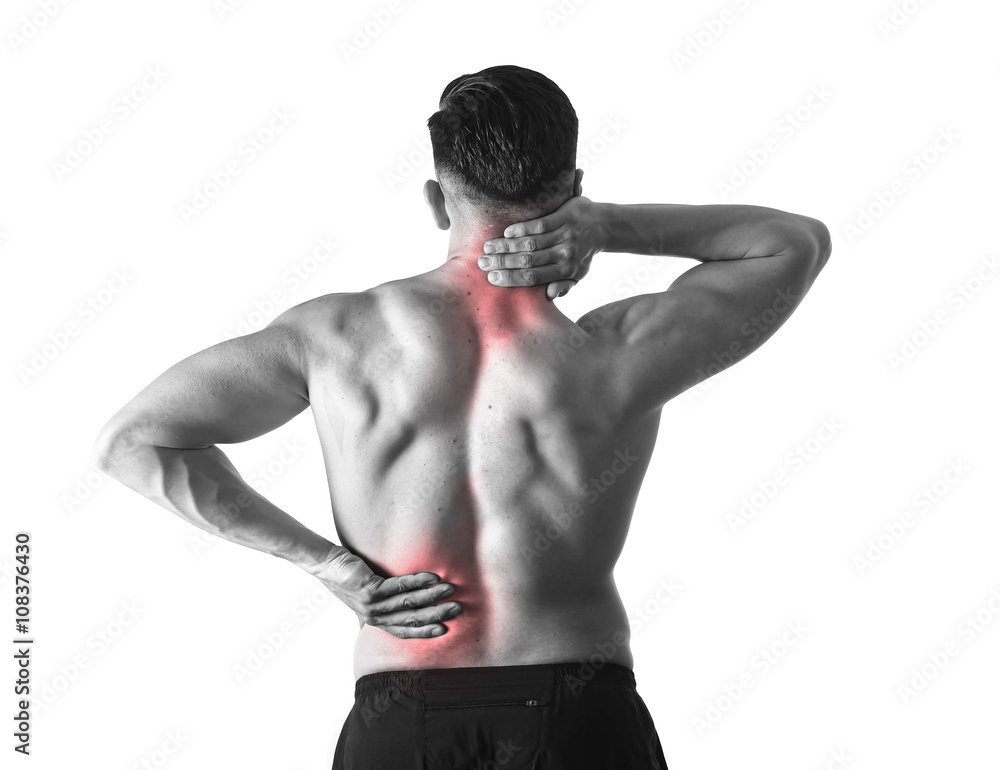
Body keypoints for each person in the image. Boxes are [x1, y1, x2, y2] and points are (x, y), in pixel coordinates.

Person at [93, 65, 831, 769]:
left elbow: (135, 442)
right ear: (571, 189)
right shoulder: (617, 351)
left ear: (437, 201)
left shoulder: (335, 340)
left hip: (402, 713)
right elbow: (792, 243)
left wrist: (327, 565)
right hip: (578, 715)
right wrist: (606, 225)